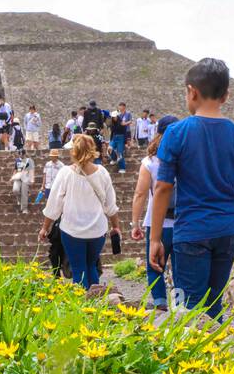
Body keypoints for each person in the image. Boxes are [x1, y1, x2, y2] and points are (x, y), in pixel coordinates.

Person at [149, 58, 234, 321]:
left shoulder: (177, 133)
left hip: (191, 232)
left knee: (187, 309)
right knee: (214, 303)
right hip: (227, 231)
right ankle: (218, 355)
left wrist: (155, 239)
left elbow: (163, 187)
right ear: (226, 95)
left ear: (192, 92)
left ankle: (195, 359)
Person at [39, 134, 120, 290]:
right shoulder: (102, 173)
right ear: (92, 150)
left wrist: (45, 228)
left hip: (72, 230)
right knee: (91, 265)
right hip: (97, 230)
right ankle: (96, 304)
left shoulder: (65, 173)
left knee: (78, 269)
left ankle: (81, 306)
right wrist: (115, 226)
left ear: (73, 152)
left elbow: (53, 205)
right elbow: (111, 206)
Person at [131, 116, 179, 310]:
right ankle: (180, 304)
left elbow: (141, 193)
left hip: (157, 222)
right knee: (180, 268)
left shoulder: (150, 162)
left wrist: (135, 223)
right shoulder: (187, 158)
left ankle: (160, 301)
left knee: (154, 264)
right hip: (183, 222)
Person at [109, 102, 131, 173]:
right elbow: (112, 132)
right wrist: (111, 140)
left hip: (121, 138)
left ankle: (122, 168)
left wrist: (126, 141)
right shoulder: (112, 123)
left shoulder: (122, 123)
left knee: (120, 153)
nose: (114, 118)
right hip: (114, 138)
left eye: (115, 116)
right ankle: (114, 159)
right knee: (109, 149)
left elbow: (125, 132)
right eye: (113, 117)